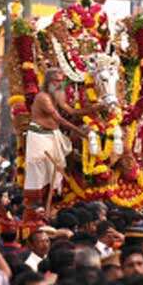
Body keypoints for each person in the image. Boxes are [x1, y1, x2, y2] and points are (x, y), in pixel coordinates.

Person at [23, 68, 87, 208]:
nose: (60, 84)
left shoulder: (57, 95)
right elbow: (59, 119)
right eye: (56, 81)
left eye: (62, 81)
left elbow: (71, 111)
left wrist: (93, 109)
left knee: (56, 168)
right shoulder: (43, 97)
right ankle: (36, 204)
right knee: (39, 167)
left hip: (52, 135)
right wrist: (80, 132)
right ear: (48, 82)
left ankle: (52, 201)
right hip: (39, 137)